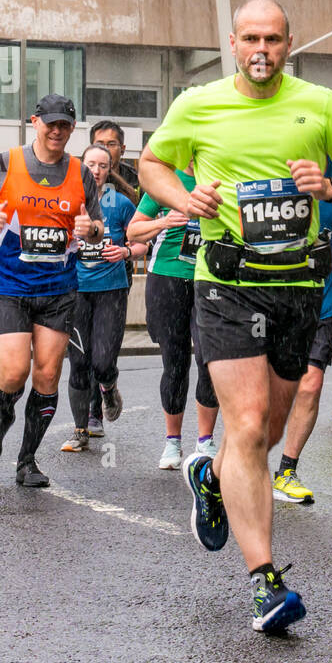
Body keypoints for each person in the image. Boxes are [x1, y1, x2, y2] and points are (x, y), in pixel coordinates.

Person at [140, 0, 332, 634]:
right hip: (226, 281)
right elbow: (152, 162)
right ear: (234, 42)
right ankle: (265, 581)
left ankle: (213, 481)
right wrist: (183, 198)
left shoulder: (320, 104)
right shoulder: (197, 104)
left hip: (299, 284)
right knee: (243, 425)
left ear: (289, 43)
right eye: (251, 39)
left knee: (266, 435)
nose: (262, 50)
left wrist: (329, 187)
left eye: (272, 39)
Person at [0, 94, 105, 488]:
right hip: (11, 284)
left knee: (47, 375)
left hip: (59, 287)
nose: (57, 131)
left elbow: (97, 226)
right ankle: (3, 415)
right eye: (51, 123)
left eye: (65, 125)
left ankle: (27, 461)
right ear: (36, 122)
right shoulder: (6, 162)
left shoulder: (80, 172)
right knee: (14, 373)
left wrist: (89, 230)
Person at [271, 163, 332, 504]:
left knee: (312, 383)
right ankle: (239, 466)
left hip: (319, 304)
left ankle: (286, 471)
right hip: (271, 302)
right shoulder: (275, 165)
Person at [126, 163, 220, 469]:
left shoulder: (223, 176)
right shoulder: (166, 181)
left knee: (210, 359)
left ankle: (205, 441)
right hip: (167, 278)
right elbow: (134, 230)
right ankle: (172, 442)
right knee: (175, 361)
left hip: (211, 279)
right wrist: (164, 221)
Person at [60, 143, 144, 452]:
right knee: (79, 362)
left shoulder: (121, 204)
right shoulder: (67, 202)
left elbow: (141, 244)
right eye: (90, 165)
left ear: (110, 170)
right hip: (76, 292)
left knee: (103, 361)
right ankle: (80, 430)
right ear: (80, 167)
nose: (96, 171)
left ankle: (109, 388)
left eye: (102, 166)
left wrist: (124, 251)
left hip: (111, 290)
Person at [88, 119, 140, 205]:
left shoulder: (137, 180)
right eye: (99, 144)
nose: (105, 149)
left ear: (122, 149)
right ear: (90, 149)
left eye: (111, 144)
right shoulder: (80, 176)